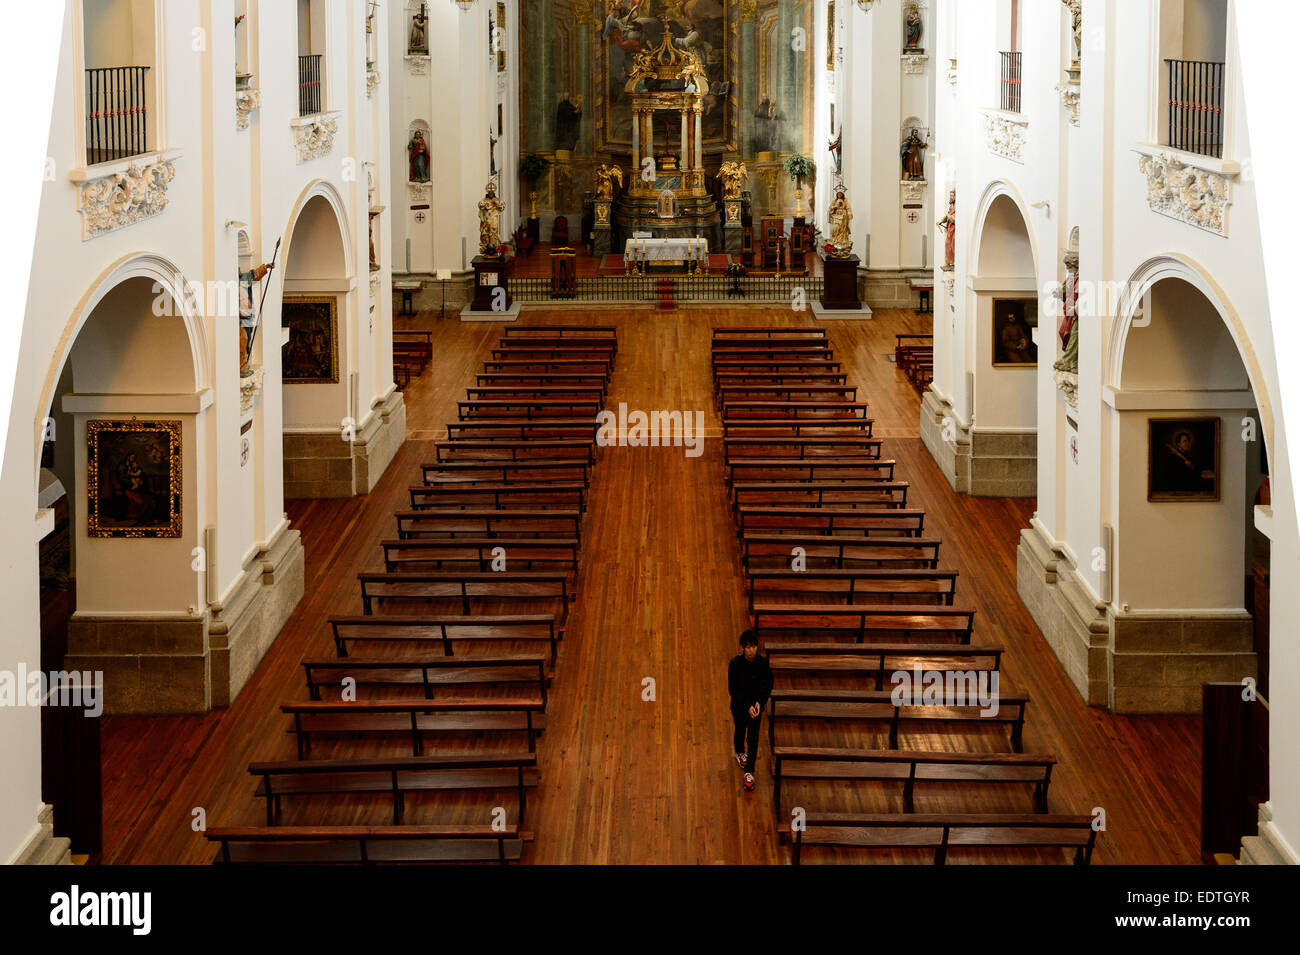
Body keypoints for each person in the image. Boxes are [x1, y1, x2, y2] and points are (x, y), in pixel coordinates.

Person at [728, 629, 773, 793]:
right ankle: (739, 751)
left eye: (754, 647)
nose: (751, 650)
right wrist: (747, 706)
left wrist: (760, 703)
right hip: (740, 707)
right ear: (742, 648)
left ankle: (749, 771)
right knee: (740, 730)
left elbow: (767, 684)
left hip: (756, 708)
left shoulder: (762, 664)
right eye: (748, 647)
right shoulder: (734, 664)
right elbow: (733, 690)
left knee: (753, 738)